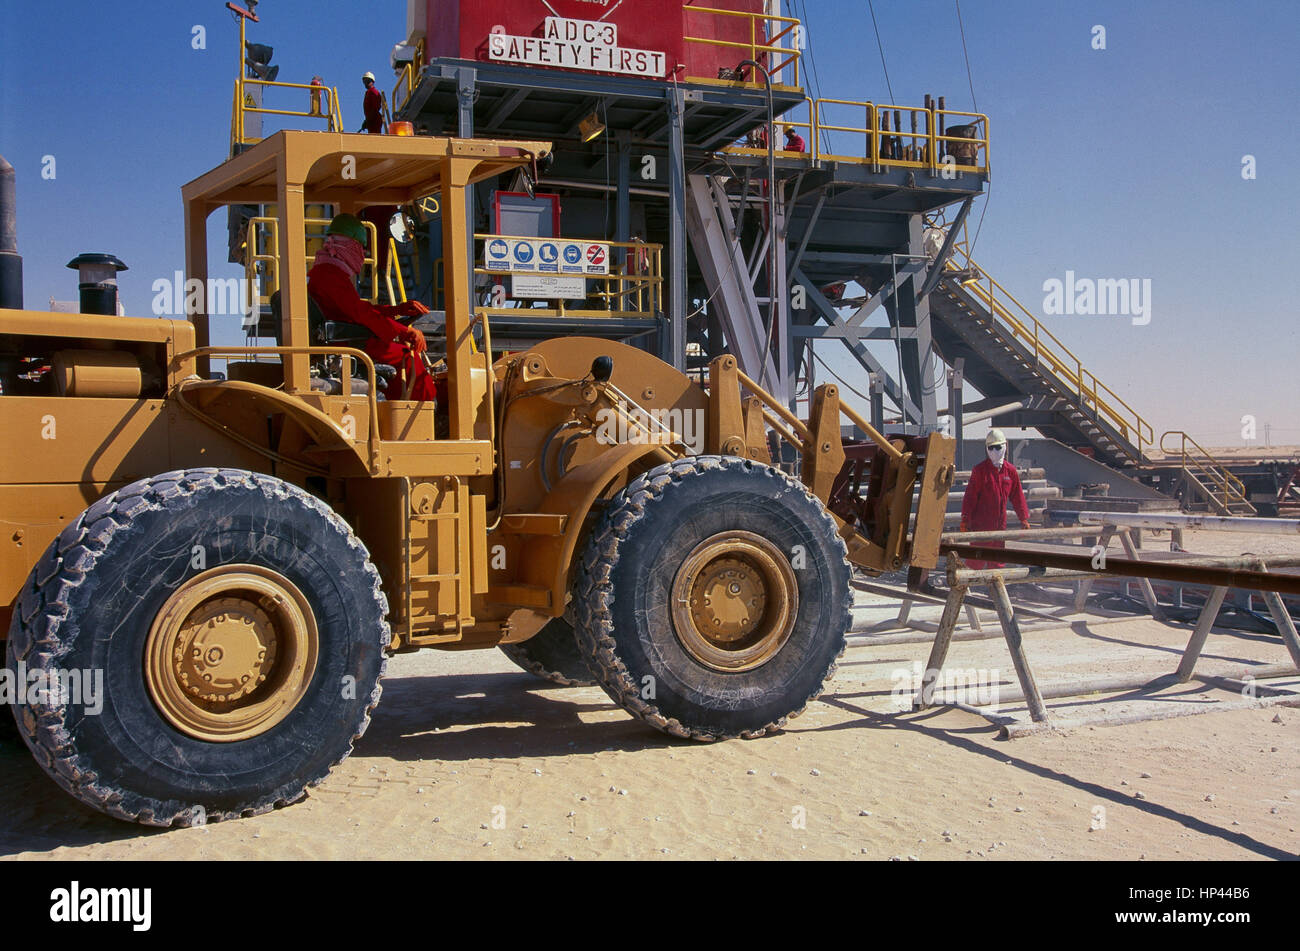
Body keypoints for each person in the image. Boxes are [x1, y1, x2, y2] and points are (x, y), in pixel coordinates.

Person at [307, 214, 435, 402]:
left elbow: (356, 308)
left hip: (344, 339)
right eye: (359, 248)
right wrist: (404, 332)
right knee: (408, 357)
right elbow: (360, 314)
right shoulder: (330, 275)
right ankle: (424, 414)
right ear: (347, 246)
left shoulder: (326, 272)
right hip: (347, 344)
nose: (363, 254)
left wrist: (396, 311)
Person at [959, 429, 1031, 569]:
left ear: (1005, 446)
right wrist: (965, 519)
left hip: (999, 525)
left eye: (997, 447)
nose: (994, 451)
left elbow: (1017, 496)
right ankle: (965, 587)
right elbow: (970, 497)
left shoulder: (1010, 471)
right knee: (976, 558)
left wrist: (1023, 518)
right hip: (981, 526)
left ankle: (994, 589)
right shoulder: (980, 471)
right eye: (990, 448)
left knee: (997, 560)